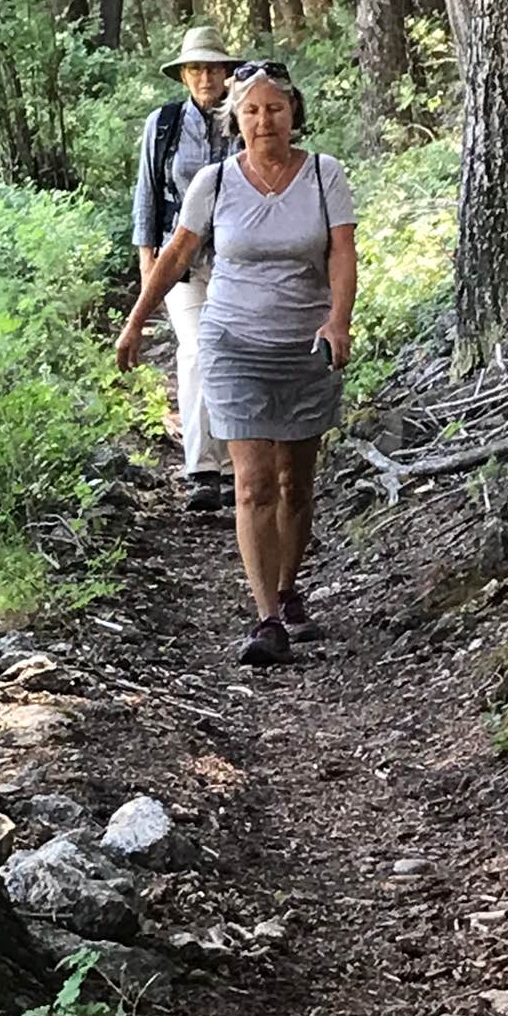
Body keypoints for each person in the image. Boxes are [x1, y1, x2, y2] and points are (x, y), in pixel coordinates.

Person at [116, 62, 358, 666]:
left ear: (293, 114)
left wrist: (338, 321)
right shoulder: (215, 183)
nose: (263, 120)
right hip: (233, 342)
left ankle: (287, 586)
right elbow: (176, 256)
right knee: (251, 485)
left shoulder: (325, 175)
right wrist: (137, 318)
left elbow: (344, 254)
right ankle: (267, 619)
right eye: (250, 110)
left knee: (295, 484)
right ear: (235, 120)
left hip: (305, 345)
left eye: (274, 108)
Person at [130, 26, 245, 513]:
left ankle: (234, 463)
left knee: (234, 353)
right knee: (198, 349)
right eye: (196, 68)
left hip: (237, 260)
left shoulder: (245, 115)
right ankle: (201, 468)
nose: (205, 76)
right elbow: (146, 199)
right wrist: (147, 271)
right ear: (183, 75)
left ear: (227, 73)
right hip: (180, 264)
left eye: (214, 67)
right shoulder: (163, 125)